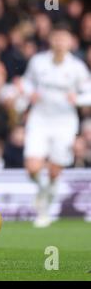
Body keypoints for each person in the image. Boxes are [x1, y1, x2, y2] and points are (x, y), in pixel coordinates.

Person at [20, 24, 91, 228]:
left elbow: (89, 93)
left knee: (53, 171)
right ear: (51, 40)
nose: (60, 43)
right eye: (56, 38)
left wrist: (77, 99)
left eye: (64, 39)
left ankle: (44, 211)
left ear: (70, 42)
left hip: (64, 122)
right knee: (32, 167)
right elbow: (27, 82)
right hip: (39, 119)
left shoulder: (77, 67)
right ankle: (43, 192)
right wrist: (28, 92)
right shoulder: (38, 62)